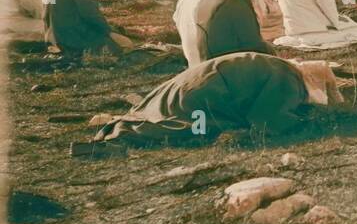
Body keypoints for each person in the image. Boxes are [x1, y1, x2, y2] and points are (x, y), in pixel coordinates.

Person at [94, 52, 342, 145]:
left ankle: (129, 119)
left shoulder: (280, 66)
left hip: (193, 84)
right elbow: (268, 122)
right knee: (193, 130)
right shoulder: (290, 82)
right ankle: (123, 130)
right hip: (201, 99)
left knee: (159, 109)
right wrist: (310, 125)